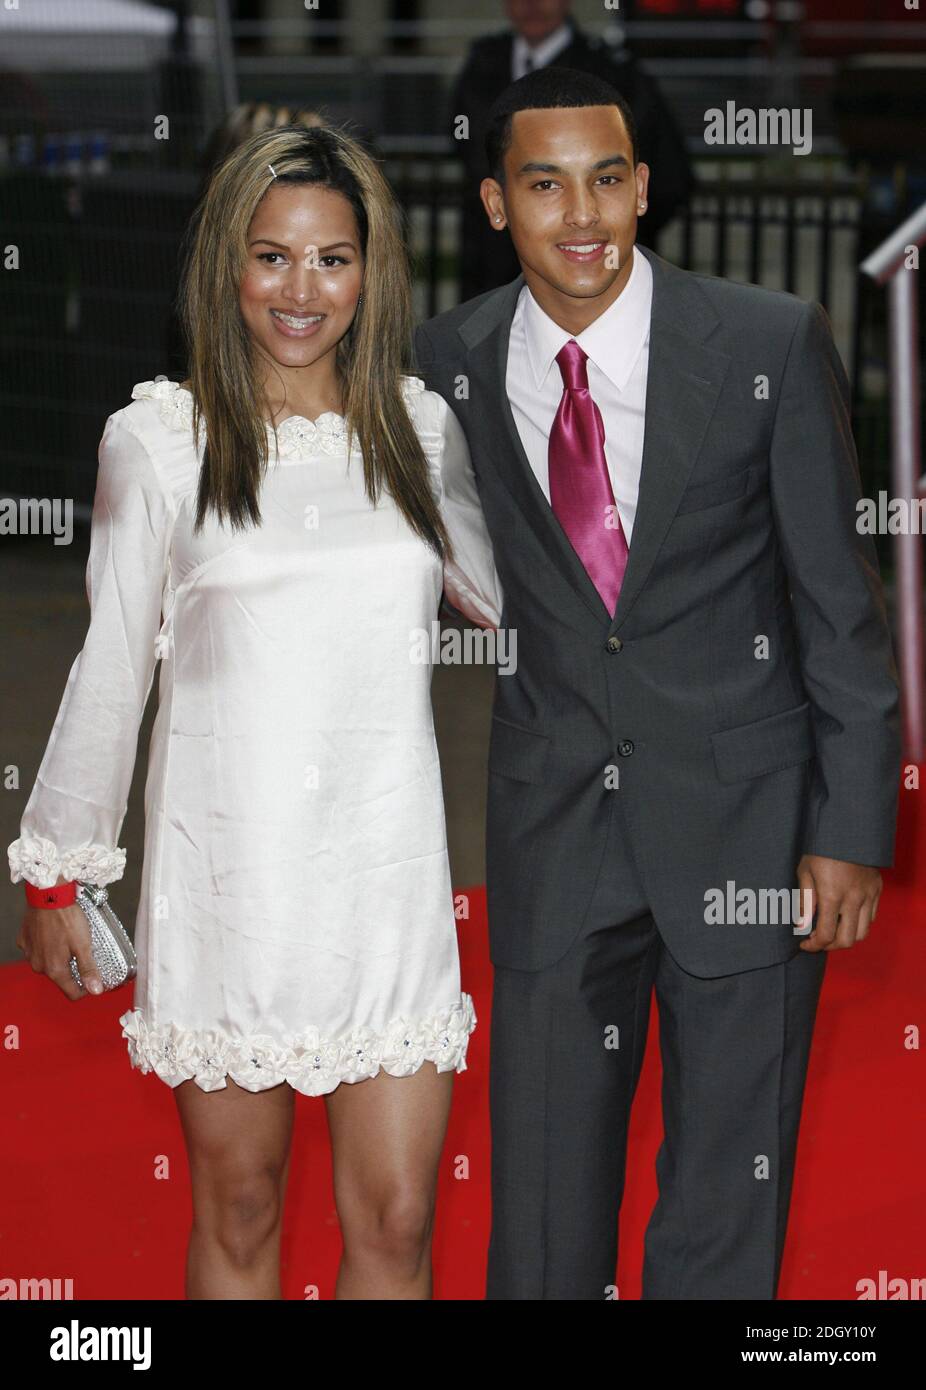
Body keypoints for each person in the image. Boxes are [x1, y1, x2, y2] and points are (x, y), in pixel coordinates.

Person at [413, 67, 901, 1299]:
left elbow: (837, 608)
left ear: (639, 189)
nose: (579, 213)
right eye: (542, 183)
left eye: (605, 177)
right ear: (493, 202)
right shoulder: (446, 363)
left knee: (723, 1208)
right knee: (536, 1209)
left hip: (750, 829)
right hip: (552, 830)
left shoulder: (763, 341)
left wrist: (849, 830)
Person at [9, 123, 503, 1301]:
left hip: (383, 880)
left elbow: (514, 594)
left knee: (395, 1218)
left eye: (332, 258)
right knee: (239, 1206)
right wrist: (59, 869)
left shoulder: (417, 430)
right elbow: (110, 666)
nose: (302, 289)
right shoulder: (157, 444)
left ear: (370, 271)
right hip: (229, 880)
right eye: (271, 255)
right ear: (225, 265)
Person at [447, 0, 693, 300]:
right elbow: (464, 145)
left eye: (606, 180)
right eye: (545, 184)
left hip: (598, 289)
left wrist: (610, 239)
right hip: (490, 278)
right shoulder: (483, 63)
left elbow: (670, 173)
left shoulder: (615, 71)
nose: (531, 5)